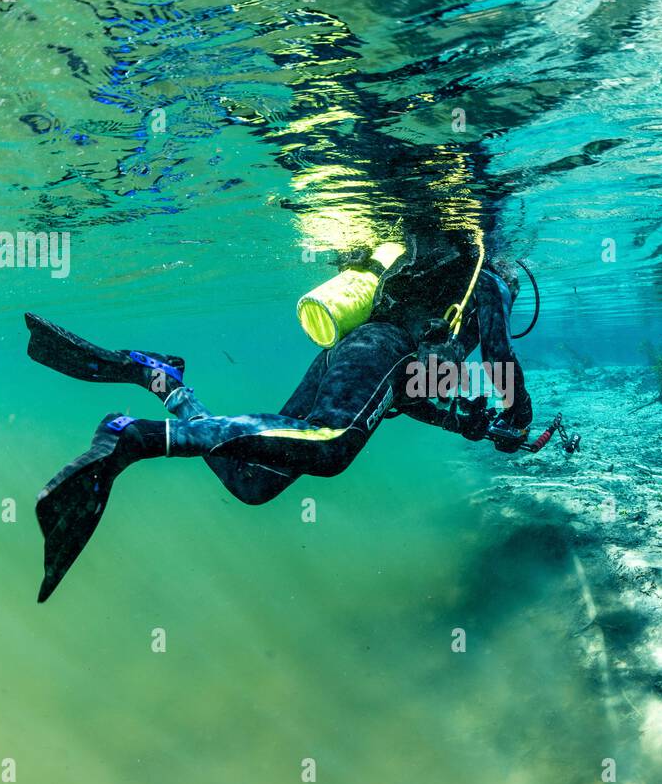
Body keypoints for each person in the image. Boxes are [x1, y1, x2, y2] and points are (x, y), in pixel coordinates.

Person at [26, 240, 533, 602]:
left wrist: (465, 425)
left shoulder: (446, 287)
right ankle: (134, 438)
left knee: (252, 483)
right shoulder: (487, 281)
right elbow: (500, 359)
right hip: (378, 349)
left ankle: (162, 381)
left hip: (354, 356)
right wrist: (518, 418)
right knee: (330, 448)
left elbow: (400, 394)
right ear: (512, 277)